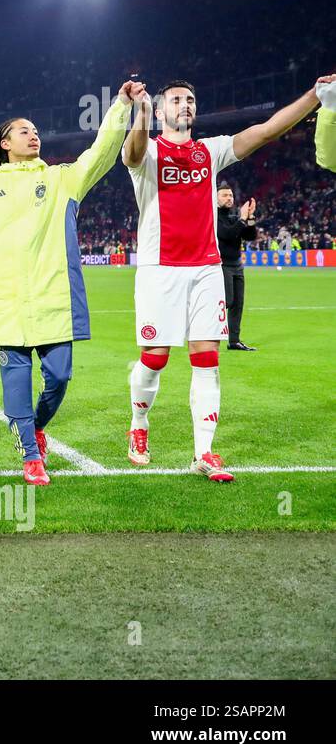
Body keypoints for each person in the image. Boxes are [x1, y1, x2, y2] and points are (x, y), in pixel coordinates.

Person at [123, 74, 334, 481]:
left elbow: (267, 130)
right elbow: (131, 155)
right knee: (156, 358)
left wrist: (315, 94)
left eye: (190, 100)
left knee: (207, 359)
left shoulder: (211, 151)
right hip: (158, 270)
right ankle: (139, 426)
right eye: (177, 100)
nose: (185, 105)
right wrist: (141, 113)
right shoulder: (148, 151)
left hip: (205, 269)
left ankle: (204, 452)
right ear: (162, 109)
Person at [0, 83, 141, 485]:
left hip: (53, 299)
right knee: (15, 382)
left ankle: (36, 428)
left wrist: (121, 106)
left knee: (60, 377)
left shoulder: (62, 179)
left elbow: (101, 152)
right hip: (3, 303)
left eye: (35, 130)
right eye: (24, 130)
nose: (34, 135)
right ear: (5, 143)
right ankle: (30, 455)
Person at [215, 184, 258, 351]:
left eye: (231, 195)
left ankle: (234, 341)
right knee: (228, 300)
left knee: (237, 304)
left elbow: (250, 235)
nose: (229, 198)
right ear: (216, 198)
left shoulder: (233, 217)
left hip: (237, 265)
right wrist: (242, 218)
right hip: (221, 265)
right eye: (225, 195)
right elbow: (227, 233)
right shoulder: (214, 217)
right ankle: (206, 335)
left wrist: (251, 216)